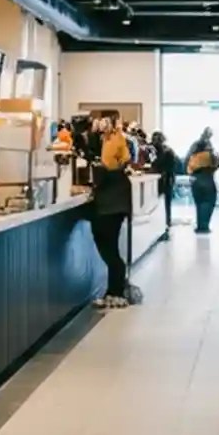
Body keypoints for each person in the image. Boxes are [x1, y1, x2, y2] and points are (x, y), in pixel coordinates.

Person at [91, 121, 132, 309]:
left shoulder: (108, 169)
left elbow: (100, 179)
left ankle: (116, 291)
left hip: (107, 210)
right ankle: (115, 291)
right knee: (112, 251)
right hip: (115, 210)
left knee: (109, 252)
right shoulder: (121, 172)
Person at [187, 127, 219, 234]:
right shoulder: (209, 153)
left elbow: (187, 165)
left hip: (195, 179)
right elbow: (218, 162)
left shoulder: (193, 153)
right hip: (207, 178)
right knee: (209, 201)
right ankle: (204, 226)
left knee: (199, 202)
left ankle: (200, 226)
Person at [150, 131, 178, 236]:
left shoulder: (159, 152)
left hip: (163, 180)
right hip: (168, 179)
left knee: (162, 203)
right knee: (166, 203)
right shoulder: (169, 151)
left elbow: (157, 164)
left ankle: (164, 223)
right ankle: (166, 222)